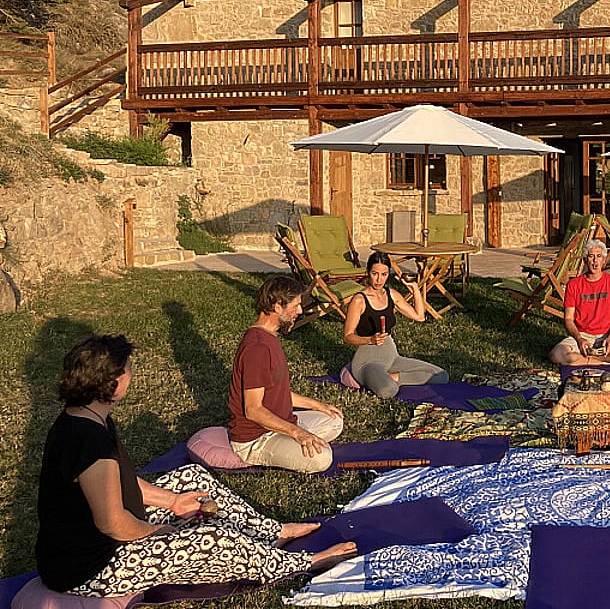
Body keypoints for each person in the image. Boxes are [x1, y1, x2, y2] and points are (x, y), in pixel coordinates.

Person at [35, 334, 355, 597]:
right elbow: (113, 523)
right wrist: (163, 533)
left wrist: (173, 501)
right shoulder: (88, 440)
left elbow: (121, 481)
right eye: (129, 369)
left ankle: (273, 532)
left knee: (193, 479)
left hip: (106, 538)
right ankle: (301, 562)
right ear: (114, 382)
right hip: (91, 567)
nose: (133, 374)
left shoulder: (89, 417)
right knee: (210, 538)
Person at [228, 276, 345, 473]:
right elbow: (253, 410)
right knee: (322, 458)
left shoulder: (269, 337)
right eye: (295, 305)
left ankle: (295, 441)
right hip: (257, 439)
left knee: (334, 420)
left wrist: (319, 406)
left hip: (283, 421)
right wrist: (298, 433)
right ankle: (287, 445)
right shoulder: (257, 348)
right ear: (276, 307)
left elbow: (278, 393)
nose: (300, 311)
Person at [342, 251, 448, 398]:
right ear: (368, 273)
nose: (379, 279)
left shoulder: (391, 294)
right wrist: (370, 340)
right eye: (375, 274)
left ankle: (392, 377)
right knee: (388, 390)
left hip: (391, 357)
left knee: (441, 376)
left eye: (384, 274)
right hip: (368, 361)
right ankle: (370, 377)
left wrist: (415, 289)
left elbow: (419, 316)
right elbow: (347, 336)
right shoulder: (359, 300)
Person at [549, 238, 610, 366]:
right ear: (585, 260)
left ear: (604, 260)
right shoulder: (573, 284)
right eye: (591, 256)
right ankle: (602, 360)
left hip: (608, 334)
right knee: (557, 355)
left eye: (599, 256)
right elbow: (568, 319)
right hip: (583, 335)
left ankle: (590, 359)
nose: (595, 261)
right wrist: (579, 339)